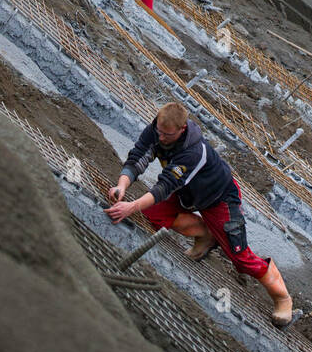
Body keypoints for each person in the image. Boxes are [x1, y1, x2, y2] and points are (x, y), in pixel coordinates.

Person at [107, 102, 294, 327]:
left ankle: (283, 298)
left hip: (219, 197)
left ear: (182, 129)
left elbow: (165, 186)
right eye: (159, 132)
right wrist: (122, 186)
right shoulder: (157, 130)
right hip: (186, 192)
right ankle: (206, 235)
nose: (162, 138)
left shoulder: (194, 152)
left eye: (167, 134)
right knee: (154, 214)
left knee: (240, 256)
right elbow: (138, 157)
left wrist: (130, 206)